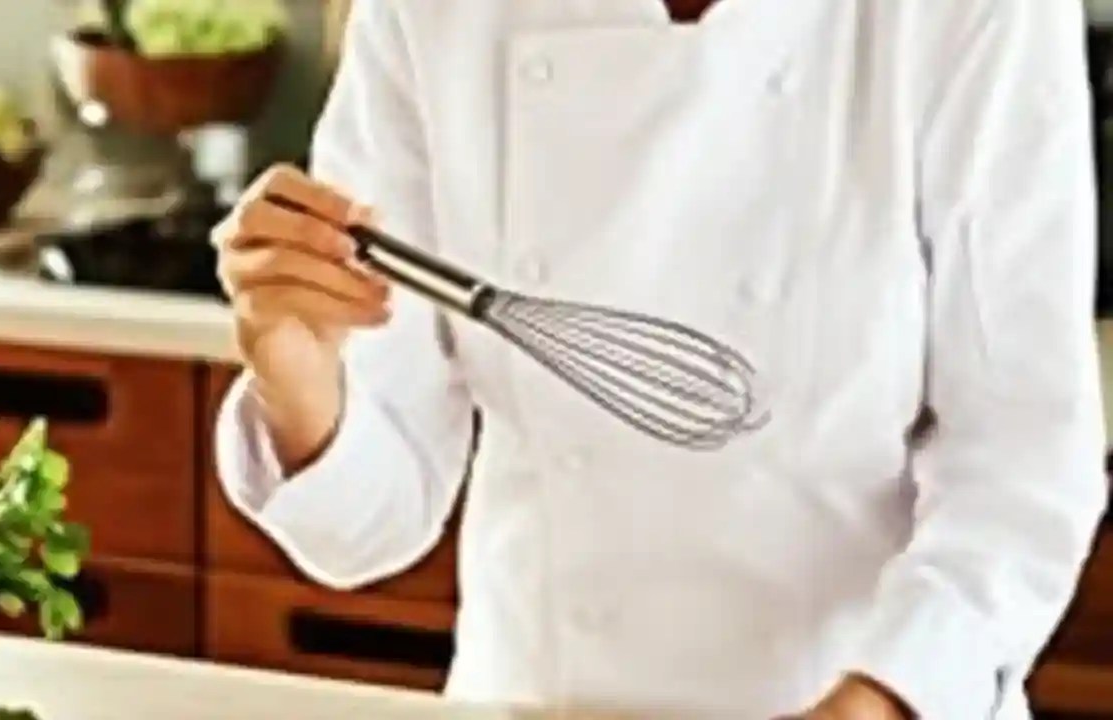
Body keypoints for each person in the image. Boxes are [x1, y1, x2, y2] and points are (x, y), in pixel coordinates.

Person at [212, 0, 1107, 717]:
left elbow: (1023, 461)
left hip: (876, 691)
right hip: (543, 694)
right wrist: (300, 378)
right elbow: (371, 525)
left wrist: (885, 695)